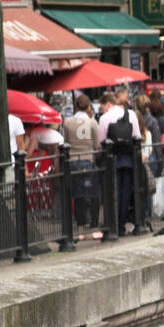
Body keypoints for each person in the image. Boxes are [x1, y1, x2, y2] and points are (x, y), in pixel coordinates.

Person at [97, 86, 141, 236]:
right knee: (125, 192)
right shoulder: (131, 114)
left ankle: (113, 225)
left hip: (112, 160)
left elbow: (101, 142)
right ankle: (122, 225)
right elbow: (137, 136)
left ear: (108, 104)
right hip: (128, 159)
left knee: (112, 193)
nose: (101, 110)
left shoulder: (104, 118)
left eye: (102, 107)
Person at [63, 94, 100, 232]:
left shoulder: (67, 122)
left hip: (73, 161)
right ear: (88, 106)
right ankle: (95, 225)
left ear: (76, 106)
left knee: (78, 196)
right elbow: (97, 145)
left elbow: (65, 143)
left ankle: (80, 226)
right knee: (93, 193)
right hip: (88, 160)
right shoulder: (92, 123)